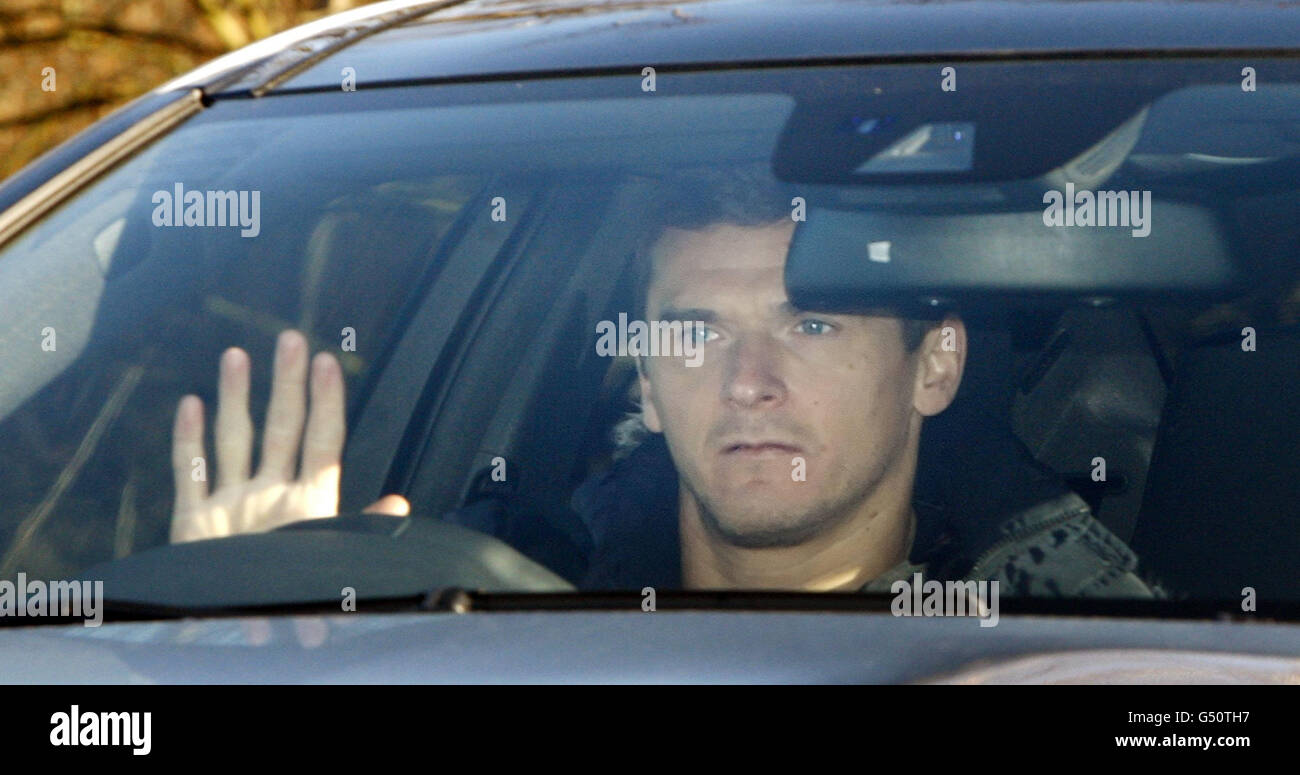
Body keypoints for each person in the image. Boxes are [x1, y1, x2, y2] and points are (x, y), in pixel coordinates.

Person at [170, 167, 1161, 597]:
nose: (748, 382)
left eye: (810, 324)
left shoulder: (1084, 651)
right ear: (643, 372)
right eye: (695, 332)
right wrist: (227, 653)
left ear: (934, 365)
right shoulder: (484, 612)